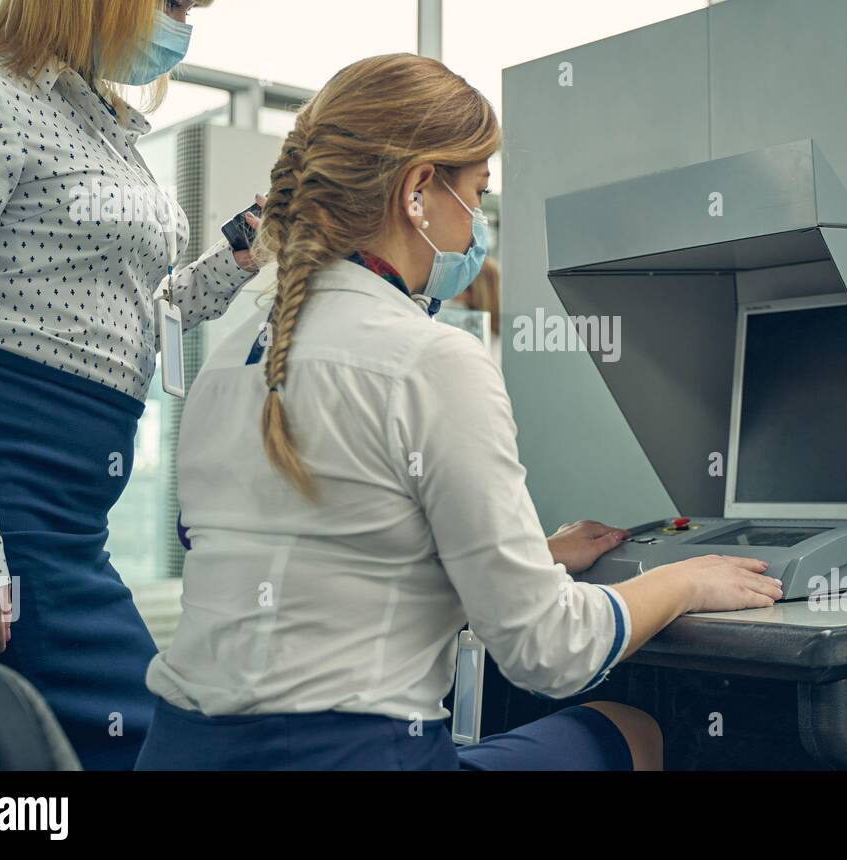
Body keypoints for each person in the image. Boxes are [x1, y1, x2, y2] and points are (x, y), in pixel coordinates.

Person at [134, 53, 782, 771]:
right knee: (633, 729)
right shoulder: (431, 360)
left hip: (179, 753)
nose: (479, 222)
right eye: (476, 192)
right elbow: (550, 652)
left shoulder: (226, 363)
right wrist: (683, 579)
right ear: (418, 191)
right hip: (349, 758)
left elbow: (331, 573)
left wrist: (528, 558)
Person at [0, 0, 258, 769]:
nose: (181, 30)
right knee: (140, 745)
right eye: (173, 3)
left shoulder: (103, 127)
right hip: (4, 494)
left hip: (72, 510)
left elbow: (143, 311)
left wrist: (241, 255)